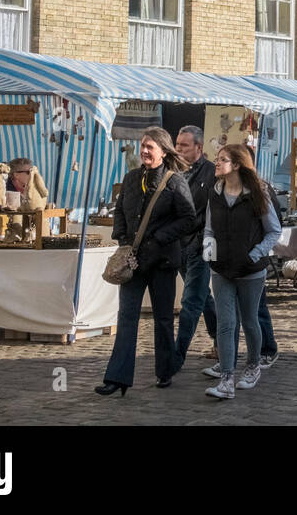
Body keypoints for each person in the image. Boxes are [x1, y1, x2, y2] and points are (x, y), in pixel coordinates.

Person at [96, 128, 195, 396]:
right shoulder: (131, 178)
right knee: (126, 317)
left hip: (163, 262)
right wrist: (121, 238)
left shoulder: (175, 182)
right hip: (134, 262)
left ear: (163, 151)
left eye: (150, 147)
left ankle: (165, 370)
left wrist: (161, 236)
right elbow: (121, 211)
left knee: (163, 319)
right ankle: (117, 378)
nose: (145, 151)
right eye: (143, 146)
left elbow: (188, 219)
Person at [201, 144, 281, 399]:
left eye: (221, 160)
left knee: (249, 320)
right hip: (221, 268)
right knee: (226, 323)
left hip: (250, 270)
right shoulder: (215, 193)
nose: (216, 163)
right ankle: (226, 379)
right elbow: (209, 227)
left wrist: (254, 254)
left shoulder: (258, 193)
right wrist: (208, 250)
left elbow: (274, 231)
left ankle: (253, 365)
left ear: (236, 165)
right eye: (217, 159)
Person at [172, 126, 217, 372]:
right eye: (177, 144)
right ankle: (220, 340)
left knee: (190, 301)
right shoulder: (173, 171)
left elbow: (214, 213)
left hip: (202, 246)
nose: (178, 149)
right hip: (178, 245)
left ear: (198, 148)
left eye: (184, 146)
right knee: (202, 296)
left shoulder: (212, 173)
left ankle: (176, 357)